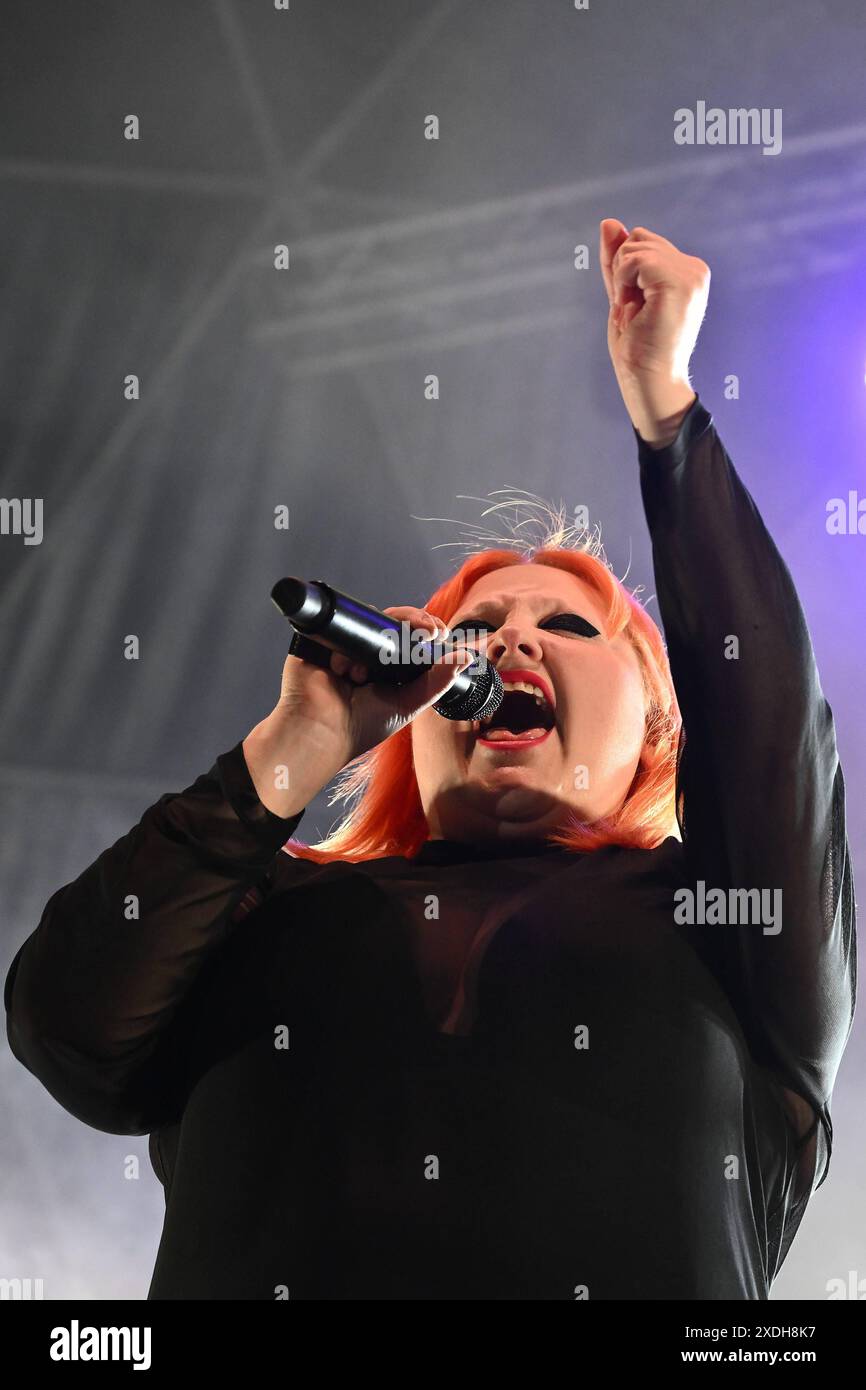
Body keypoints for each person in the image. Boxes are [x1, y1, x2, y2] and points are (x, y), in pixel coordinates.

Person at [4, 221, 856, 1300]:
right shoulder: (259, 906)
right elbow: (67, 1026)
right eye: (481, 623)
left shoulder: (728, 929)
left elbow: (772, 727)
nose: (507, 642)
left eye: (570, 628)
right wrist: (298, 745)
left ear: (654, 726)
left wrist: (669, 418)